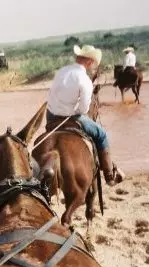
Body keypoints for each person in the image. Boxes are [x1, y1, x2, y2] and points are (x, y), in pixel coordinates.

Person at [46, 44, 125, 186]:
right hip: (71, 119)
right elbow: (83, 110)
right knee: (102, 135)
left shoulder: (61, 71)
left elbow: (52, 94)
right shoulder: (85, 80)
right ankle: (109, 176)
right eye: (92, 62)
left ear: (78, 57)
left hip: (51, 117)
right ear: (89, 61)